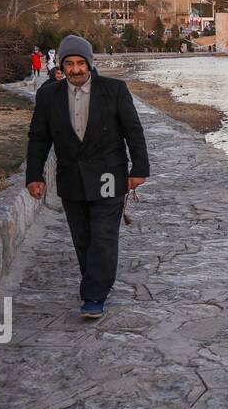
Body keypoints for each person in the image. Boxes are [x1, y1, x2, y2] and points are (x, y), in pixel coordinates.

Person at [25, 34, 149, 319]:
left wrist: (139, 169)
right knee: (83, 238)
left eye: (81, 63)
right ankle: (95, 280)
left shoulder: (114, 90)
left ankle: (93, 295)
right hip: (71, 178)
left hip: (108, 174)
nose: (76, 69)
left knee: (103, 236)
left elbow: (133, 130)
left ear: (90, 64)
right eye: (70, 63)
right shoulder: (48, 96)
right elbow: (38, 138)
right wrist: (34, 175)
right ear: (61, 65)